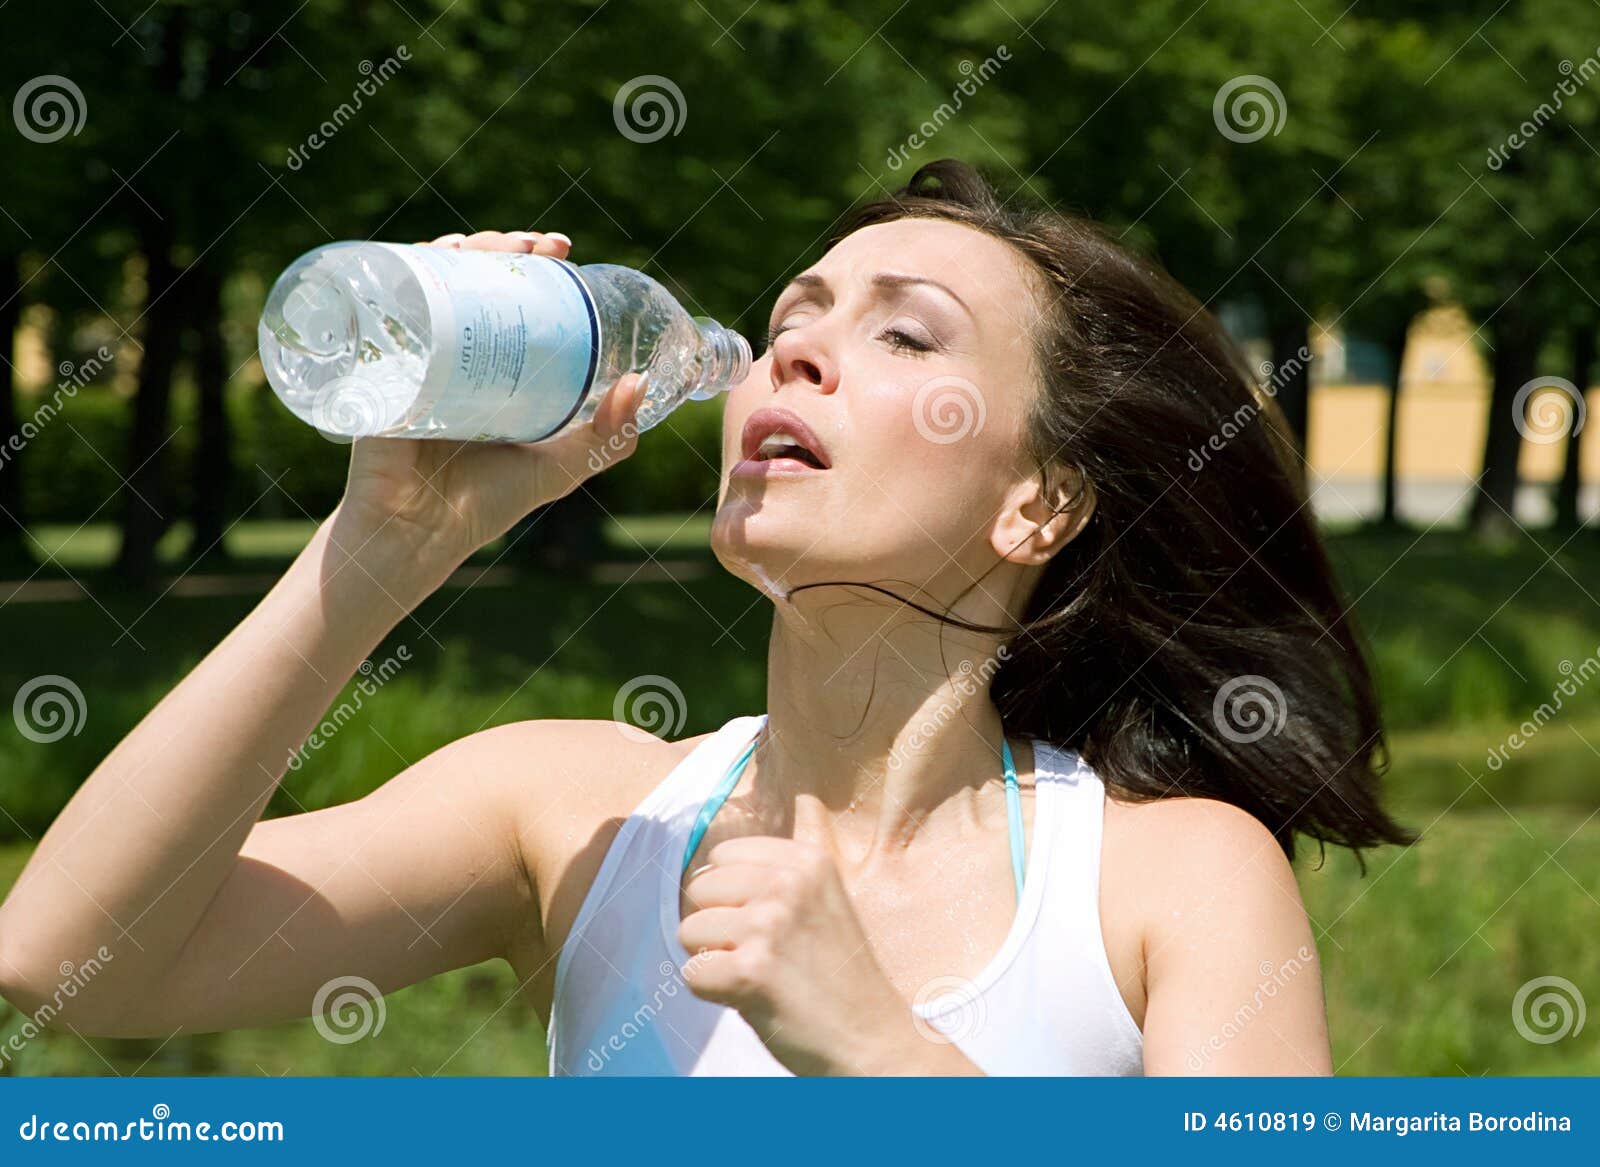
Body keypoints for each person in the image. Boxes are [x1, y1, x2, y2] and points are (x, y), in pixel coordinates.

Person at [0, 160, 1409, 1076]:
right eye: (797, 314)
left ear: (1038, 504)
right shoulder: (578, 815)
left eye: (903, 333)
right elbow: (66, 966)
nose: (796, 347)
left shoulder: (1174, 881)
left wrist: (877, 1047)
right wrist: (376, 552)